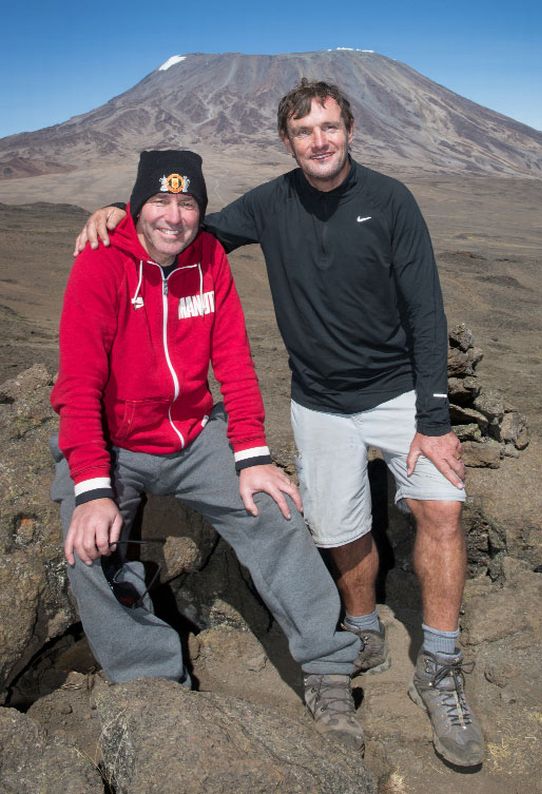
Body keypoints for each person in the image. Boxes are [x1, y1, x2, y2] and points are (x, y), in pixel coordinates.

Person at [76, 82, 485, 767]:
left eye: (329, 126)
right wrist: (119, 212)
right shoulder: (270, 202)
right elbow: (185, 228)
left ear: (350, 129)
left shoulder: (390, 201)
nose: (318, 140)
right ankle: (360, 628)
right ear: (287, 141)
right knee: (339, 529)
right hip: (320, 403)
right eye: (304, 131)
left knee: (440, 512)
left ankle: (439, 667)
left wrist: (434, 418)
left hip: (396, 397)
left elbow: (426, 311)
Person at [52, 148, 365, 754]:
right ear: (135, 206)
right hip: (111, 441)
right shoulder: (101, 263)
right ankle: (152, 682)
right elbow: (78, 385)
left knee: (274, 510)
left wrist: (252, 454)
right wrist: (92, 489)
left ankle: (328, 665)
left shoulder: (210, 259)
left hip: (194, 434)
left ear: (201, 210)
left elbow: (235, 362)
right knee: (86, 547)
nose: (174, 216)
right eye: (160, 201)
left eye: (188, 202)